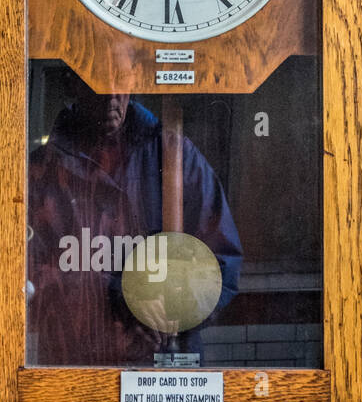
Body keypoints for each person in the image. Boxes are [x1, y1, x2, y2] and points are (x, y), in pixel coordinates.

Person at [27, 69, 242, 366]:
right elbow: (23, 275)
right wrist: (123, 300)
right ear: (74, 84)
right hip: (74, 367)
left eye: (121, 84)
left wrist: (172, 313)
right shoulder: (41, 171)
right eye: (99, 85)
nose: (112, 99)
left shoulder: (175, 156)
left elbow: (222, 262)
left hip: (164, 369)